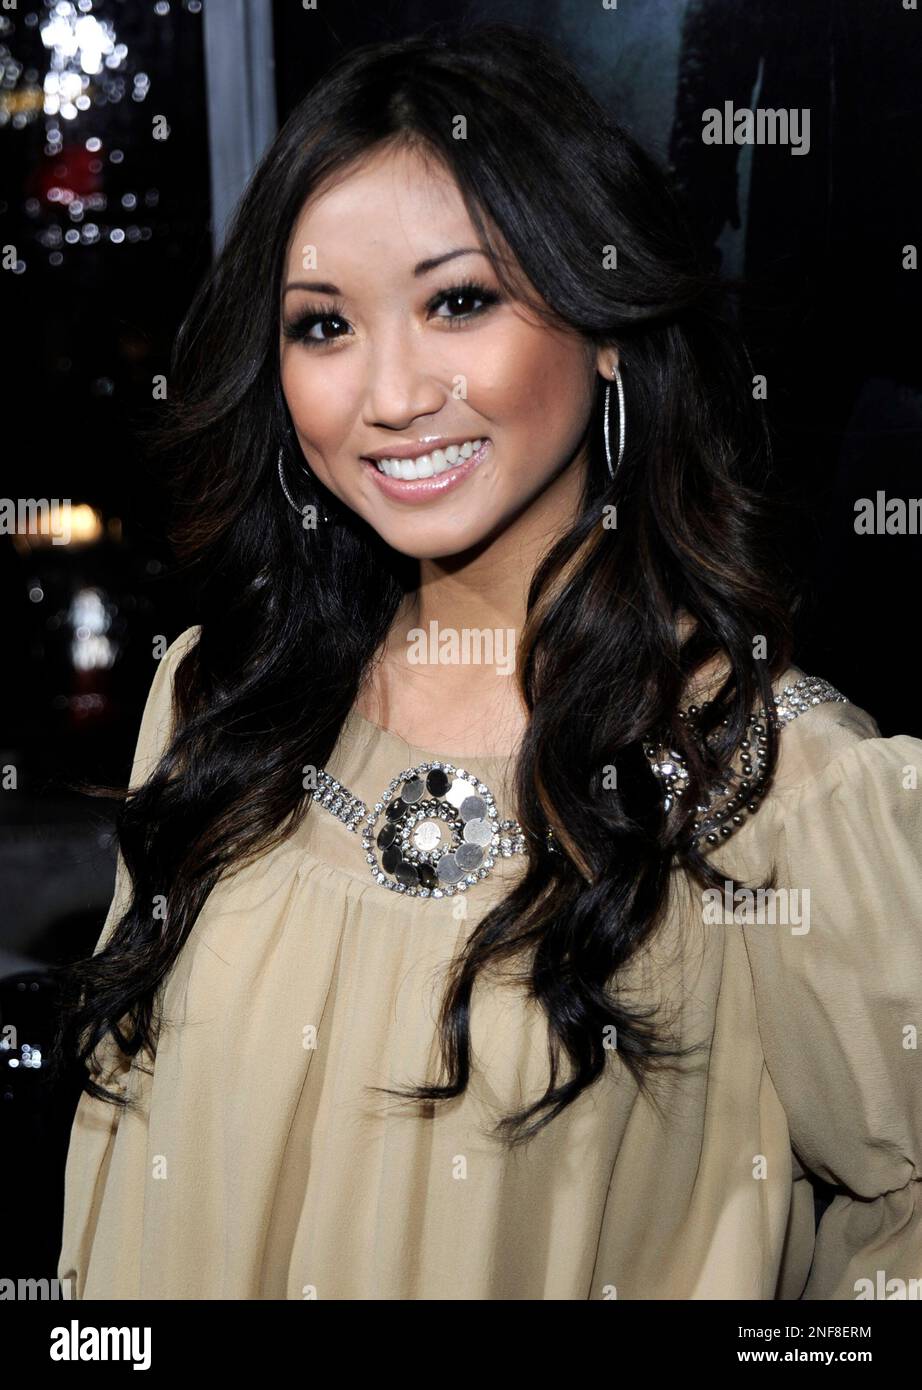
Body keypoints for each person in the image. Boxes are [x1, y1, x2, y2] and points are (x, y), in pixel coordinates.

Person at [54, 23, 922, 1300]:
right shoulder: (216, 698)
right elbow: (114, 1164)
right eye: (323, 325)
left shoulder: (778, 790)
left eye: (457, 300)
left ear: (607, 321)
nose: (390, 392)